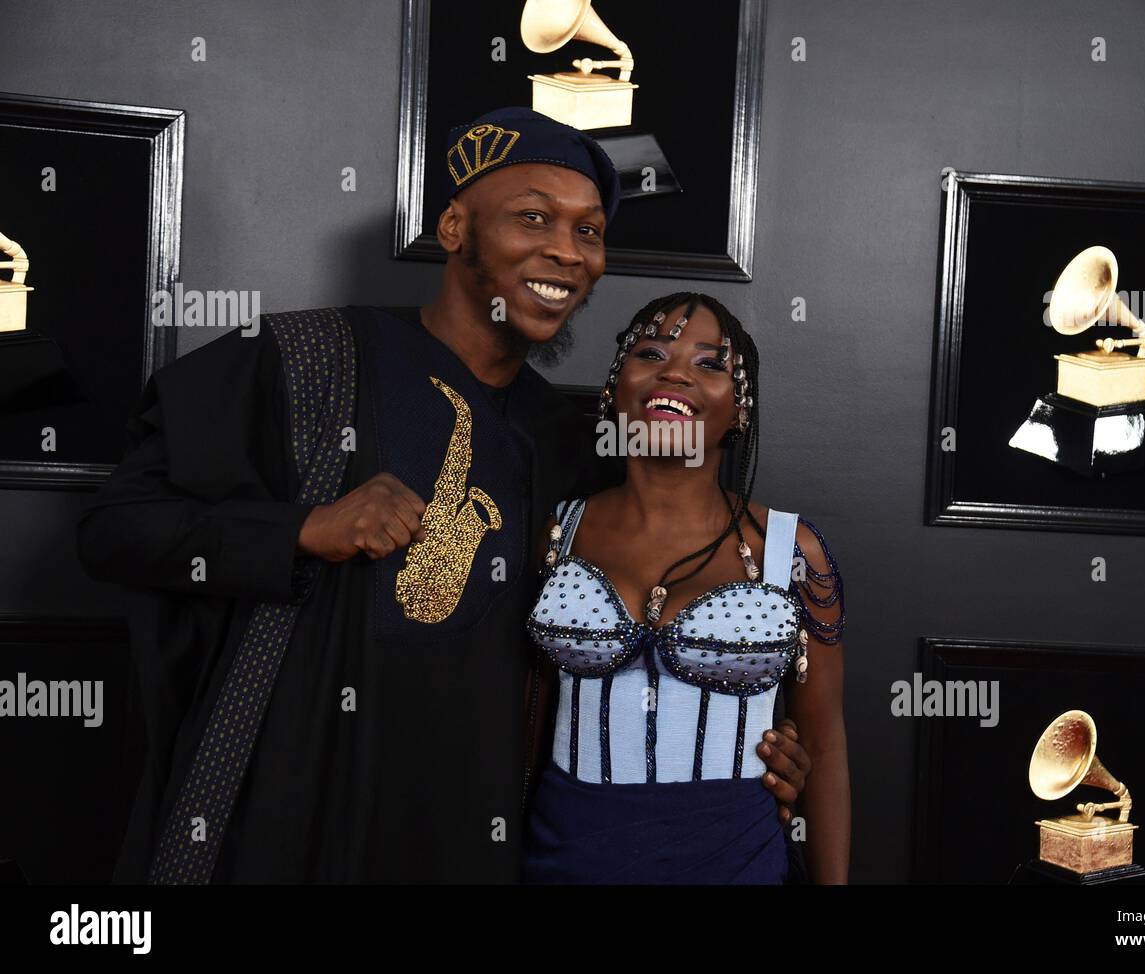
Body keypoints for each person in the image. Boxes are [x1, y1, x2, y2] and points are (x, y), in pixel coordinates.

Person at [76, 107, 810, 883]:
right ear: (456, 227)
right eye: (534, 217)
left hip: (476, 830)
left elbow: (633, 637)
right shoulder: (306, 361)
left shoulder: (573, 444)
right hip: (303, 807)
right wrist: (301, 529)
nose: (566, 250)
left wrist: (757, 747)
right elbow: (114, 529)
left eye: (589, 232)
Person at [523, 292, 850, 884]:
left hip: (731, 858)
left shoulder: (791, 550)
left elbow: (823, 748)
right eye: (651, 352)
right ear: (614, 386)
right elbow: (527, 715)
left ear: (740, 409)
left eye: (710, 363)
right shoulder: (560, 529)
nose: (674, 372)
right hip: (568, 852)